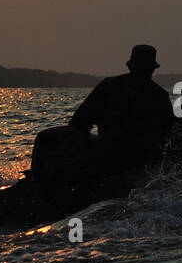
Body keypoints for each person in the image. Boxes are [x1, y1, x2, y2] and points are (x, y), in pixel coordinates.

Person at [29, 44, 173, 191]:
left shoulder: (109, 86)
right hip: (139, 161)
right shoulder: (159, 95)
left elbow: (79, 122)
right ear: (152, 69)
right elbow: (168, 135)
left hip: (108, 156)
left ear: (130, 65)